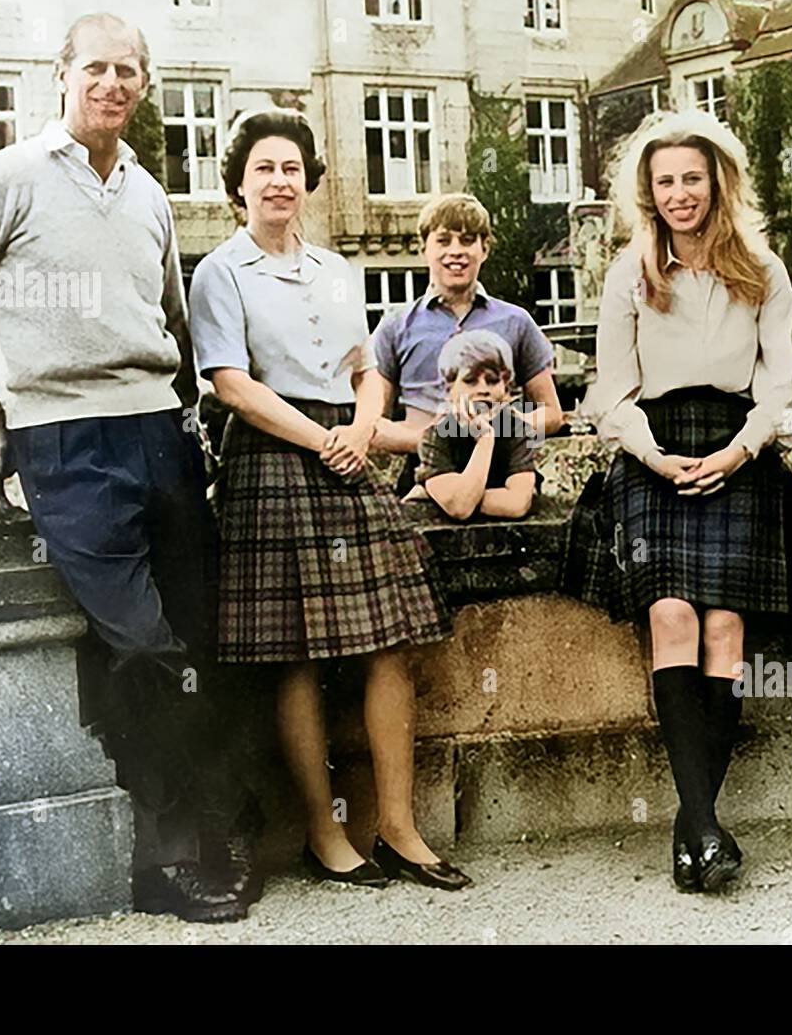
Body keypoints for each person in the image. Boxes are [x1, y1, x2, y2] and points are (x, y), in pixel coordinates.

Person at [0, 13, 251, 923]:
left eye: (129, 71)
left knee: (203, 635)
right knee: (139, 644)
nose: (113, 84)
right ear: (61, 76)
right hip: (63, 443)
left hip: (157, 434)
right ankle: (167, 855)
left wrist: (184, 417)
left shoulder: (146, 192)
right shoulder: (10, 177)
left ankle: (221, 824)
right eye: (96, 67)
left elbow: (170, 320)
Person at [188, 109, 471, 891]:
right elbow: (232, 384)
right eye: (262, 170)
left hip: (346, 452)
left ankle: (398, 828)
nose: (279, 182)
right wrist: (325, 441)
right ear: (239, 185)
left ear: (309, 179)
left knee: (392, 640)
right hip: (275, 460)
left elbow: (365, 367)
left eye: (291, 168)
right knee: (297, 655)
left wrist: (364, 423)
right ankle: (323, 831)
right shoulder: (221, 272)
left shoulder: (334, 269)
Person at [582, 109, 792, 893]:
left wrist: (741, 449)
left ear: (718, 183)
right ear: (648, 191)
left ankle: (693, 826)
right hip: (654, 450)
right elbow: (609, 391)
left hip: (738, 446)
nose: (679, 193)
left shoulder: (763, 270)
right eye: (664, 181)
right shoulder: (629, 273)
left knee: (726, 625)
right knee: (673, 616)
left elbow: (782, 382)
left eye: (692, 178)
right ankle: (706, 825)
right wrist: (656, 455)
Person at [369, 193, 564, 490]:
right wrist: (437, 441)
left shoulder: (517, 322)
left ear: (484, 249)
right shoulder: (396, 326)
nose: (456, 252)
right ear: (424, 248)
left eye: (468, 240)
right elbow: (372, 424)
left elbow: (552, 414)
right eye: (444, 241)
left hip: (504, 474)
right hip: (424, 476)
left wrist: (498, 431)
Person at [411, 329, 539, 520]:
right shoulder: (437, 434)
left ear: (505, 387)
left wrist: (458, 496)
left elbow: (516, 504)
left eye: (492, 381)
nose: (483, 390)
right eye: (470, 381)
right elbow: (460, 507)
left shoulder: (518, 429)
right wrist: (485, 441)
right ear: (449, 389)